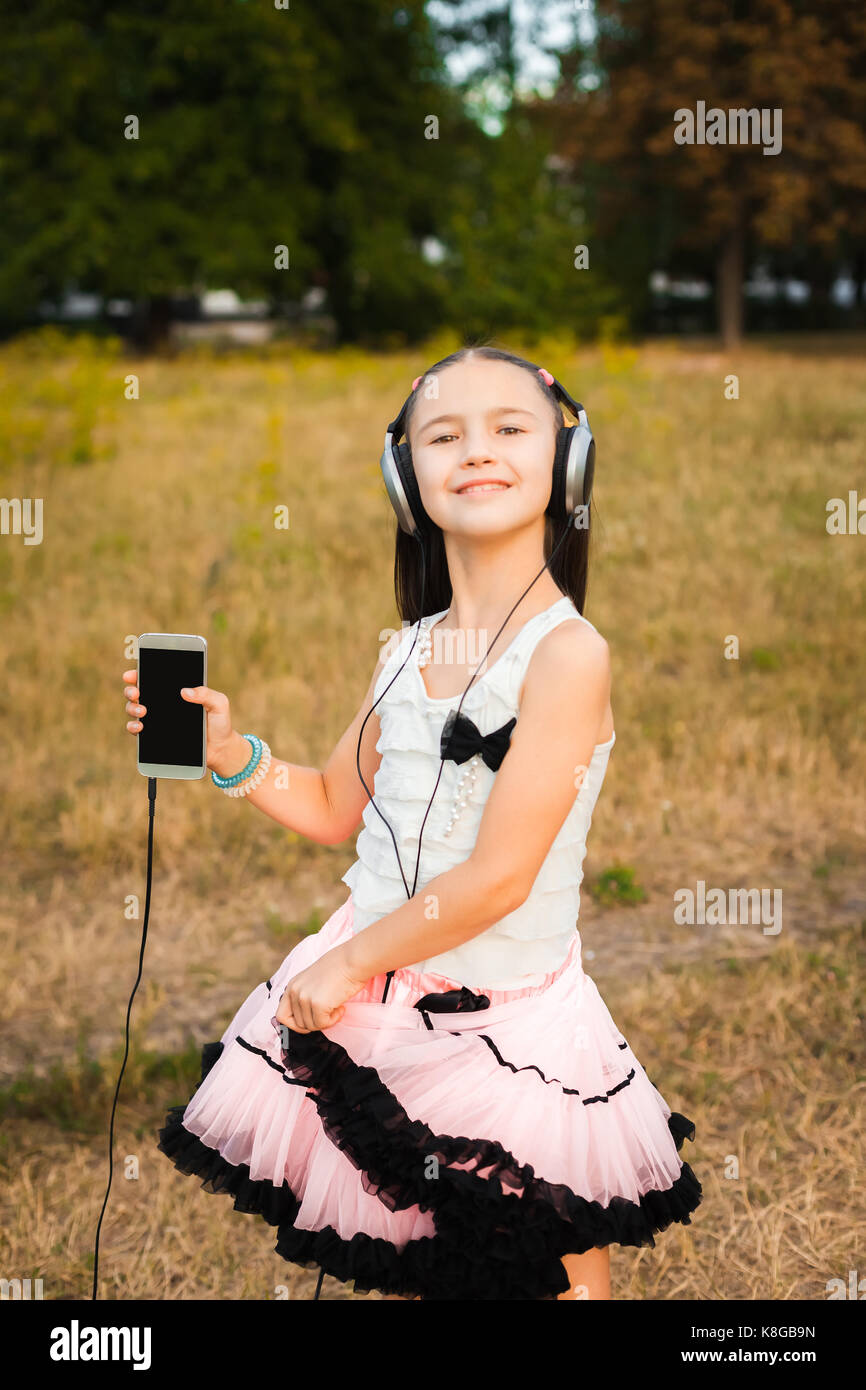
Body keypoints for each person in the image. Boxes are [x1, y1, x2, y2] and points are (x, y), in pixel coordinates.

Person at [122, 345, 701, 1301]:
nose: (476, 450)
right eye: (444, 435)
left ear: (568, 461)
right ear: (407, 478)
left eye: (509, 428)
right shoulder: (407, 650)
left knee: (545, 1267)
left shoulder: (567, 655)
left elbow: (499, 880)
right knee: (426, 1260)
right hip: (382, 1011)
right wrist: (232, 754)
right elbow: (329, 805)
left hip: (505, 1020)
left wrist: (344, 964)